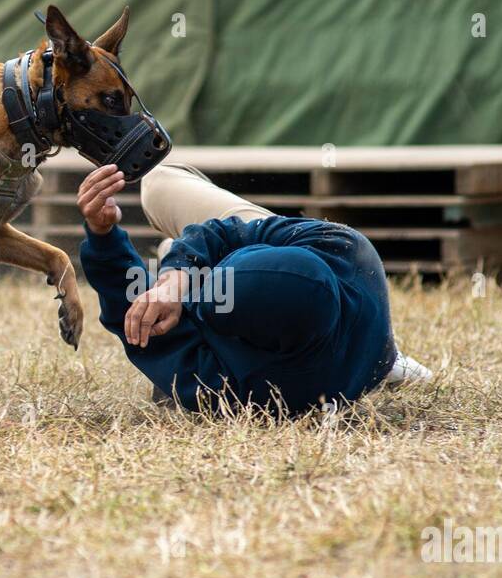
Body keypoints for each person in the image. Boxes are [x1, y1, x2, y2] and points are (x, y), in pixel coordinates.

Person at [76, 162, 432, 415]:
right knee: (158, 181)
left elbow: (143, 331)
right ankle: (176, 255)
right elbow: (230, 232)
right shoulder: (343, 247)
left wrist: (103, 236)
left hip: (339, 352)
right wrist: (177, 278)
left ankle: (174, 252)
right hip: (313, 275)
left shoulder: (256, 389)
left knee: (167, 392)